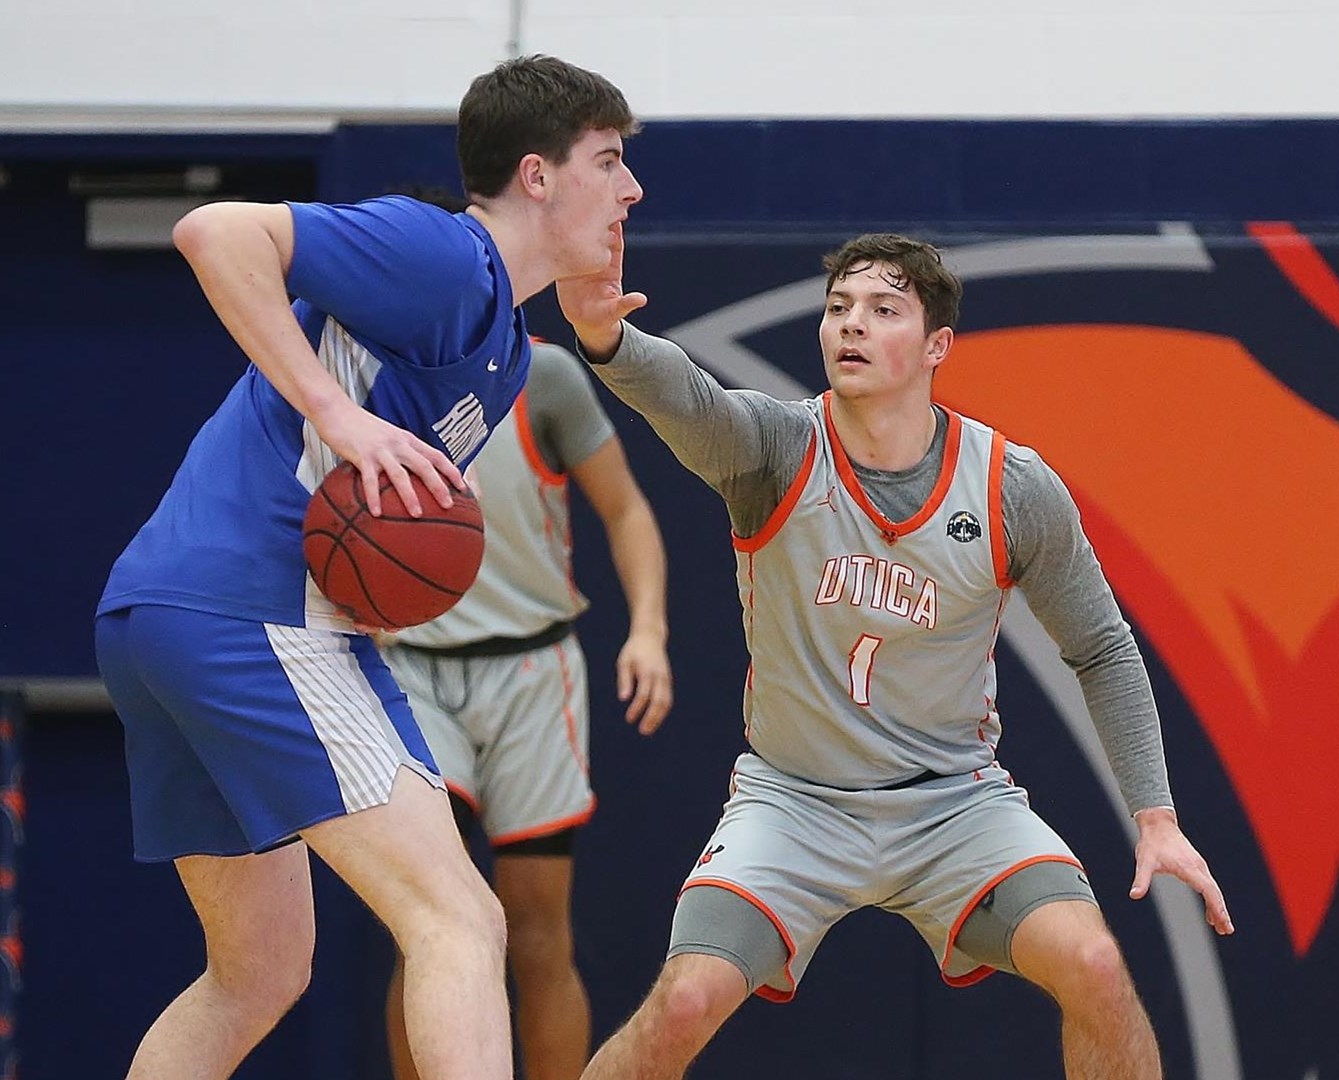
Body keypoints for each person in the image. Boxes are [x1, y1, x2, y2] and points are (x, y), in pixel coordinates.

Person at [555, 232, 1235, 1080]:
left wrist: (1156, 815)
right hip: (795, 803)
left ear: (937, 346)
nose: (852, 326)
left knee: (1095, 965)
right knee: (685, 1000)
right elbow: (691, 400)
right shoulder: (775, 450)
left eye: (883, 311)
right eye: (839, 308)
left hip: (954, 804)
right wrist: (605, 339)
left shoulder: (1010, 486)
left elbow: (1100, 646)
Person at [92, 55, 641, 1080]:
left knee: (257, 972)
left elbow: (388, 531)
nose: (631, 190)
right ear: (536, 175)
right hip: (248, 609)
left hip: (169, 614)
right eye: (608, 162)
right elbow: (214, 233)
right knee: (459, 920)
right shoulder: (441, 254)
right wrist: (332, 409)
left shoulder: (509, 345)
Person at [382, 339, 674, 1080]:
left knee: (538, 934)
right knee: (429, 928)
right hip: (410, 671)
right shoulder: (370, 372)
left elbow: (627, 509)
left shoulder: (542, 375)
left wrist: (647, 630)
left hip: (531, 671)